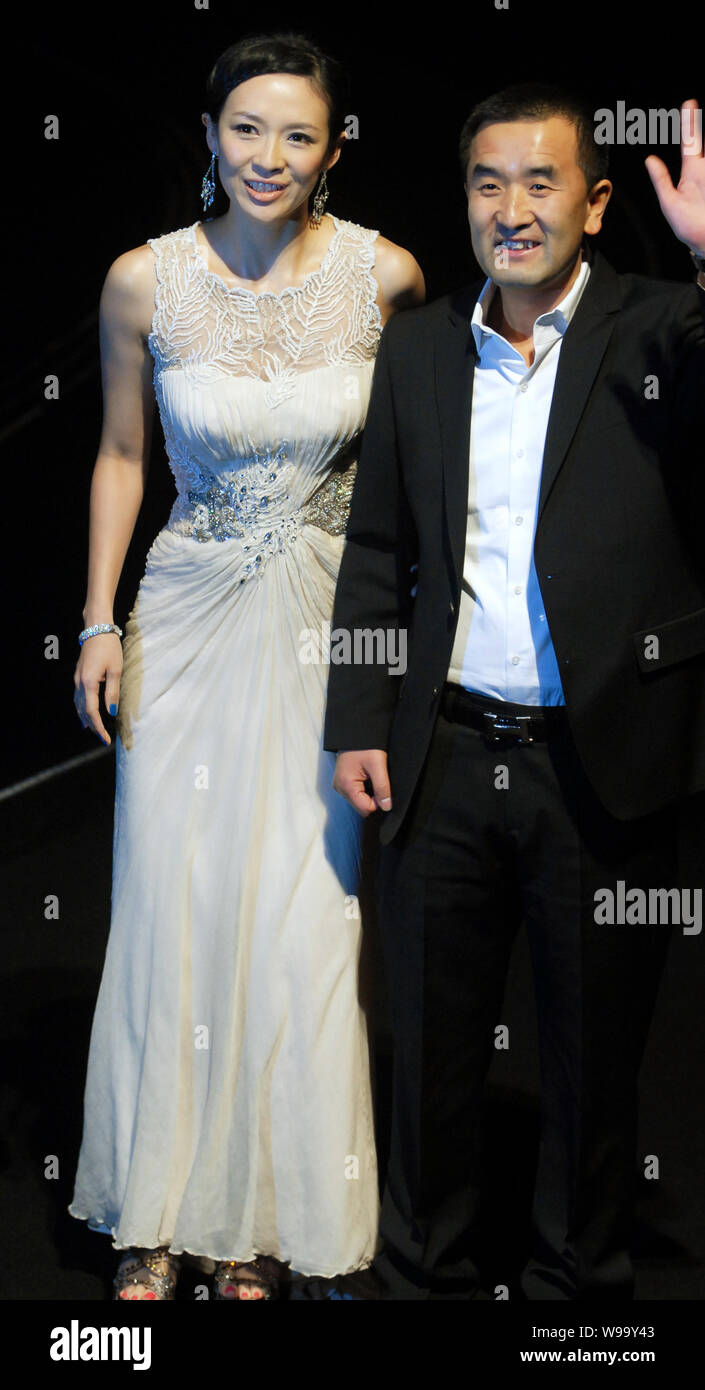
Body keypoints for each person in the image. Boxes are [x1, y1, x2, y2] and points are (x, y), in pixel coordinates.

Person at [324, 84, 705, 1300]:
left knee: (594, 1058)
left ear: (595, 202)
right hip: (437, 756)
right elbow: (378, 548)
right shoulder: (424, 346)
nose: (513, 208)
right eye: (490, 182)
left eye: (542, 182)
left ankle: (574, 1295)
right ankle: (418, 1273)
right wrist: (355, 722)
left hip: (603, 757)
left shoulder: (659, 330)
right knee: (426, 1051)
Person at [68, 31, 424, 1301]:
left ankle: (260, 1217)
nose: (269, 157)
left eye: (299, 135)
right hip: (189, 605)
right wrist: (99, 620)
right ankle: (156, 1213)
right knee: (171, 902)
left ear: (332, 150)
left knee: (305, 918)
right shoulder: (141, 283)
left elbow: (410, 476)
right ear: (210, 132)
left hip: (330, 622)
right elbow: (120, 455)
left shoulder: (387, 277)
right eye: (247, 129)